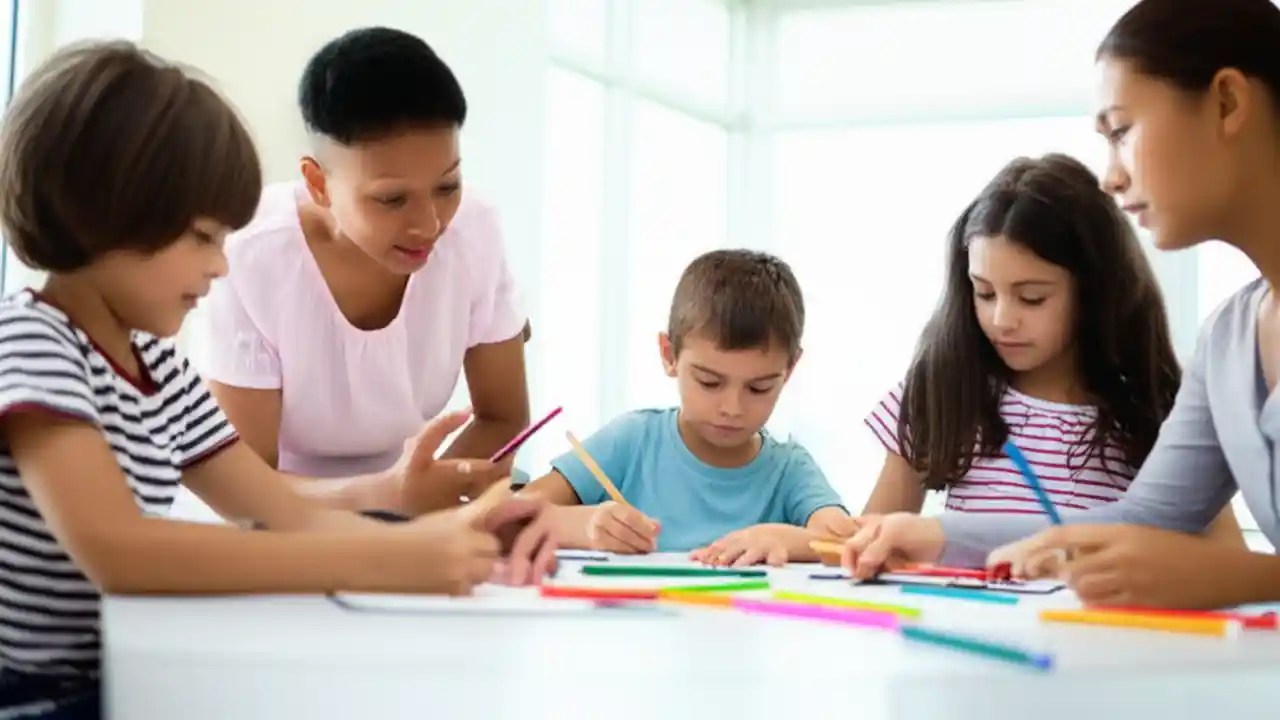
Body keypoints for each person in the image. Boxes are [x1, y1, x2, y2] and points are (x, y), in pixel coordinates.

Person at [0, 41, 554, 717]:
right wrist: (389, 560)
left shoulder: (161, 369)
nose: (222, 268)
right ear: (104, 218)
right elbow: (119, 551)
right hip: (41, 699)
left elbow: (278, 510)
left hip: (129, 675)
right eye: (202, 239)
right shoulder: (33, 340)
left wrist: (439, 541)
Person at [843, 0, 1280, 610]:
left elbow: (1191, 550)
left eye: (1121, 131)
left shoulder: (1160, 382)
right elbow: (1149, 517)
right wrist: (937, 533)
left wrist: (1255, 580)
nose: (1110, 178)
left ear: (1228, 103)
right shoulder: (1229, 339)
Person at [199, 27, 530, 514]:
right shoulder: (249, 257)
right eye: (392, 199)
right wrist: (388, 501)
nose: (429, 225)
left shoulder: (474, 229)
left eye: (447, 185)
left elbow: (504, 417)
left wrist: (432, 491)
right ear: (318, 183)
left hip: (410, 506)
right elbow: (242, 484)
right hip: (282, 519)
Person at [859, 154, 1240, 542]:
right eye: (984, 292)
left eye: (1032, 298)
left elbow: (1227, 563)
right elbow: (868, 541)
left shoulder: (1157, 412)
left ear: (1095, 292)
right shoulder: (944, 391)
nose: (1002, 319)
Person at [522, 250, 852, 565]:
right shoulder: (632, 441)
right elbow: (513, 515)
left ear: (790, 370)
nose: (732, 408)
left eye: (759, 388)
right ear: (669, 355)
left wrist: (786, 540)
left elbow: (850, 543)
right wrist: (584, 524)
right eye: (709, 382)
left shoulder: (789, 469)